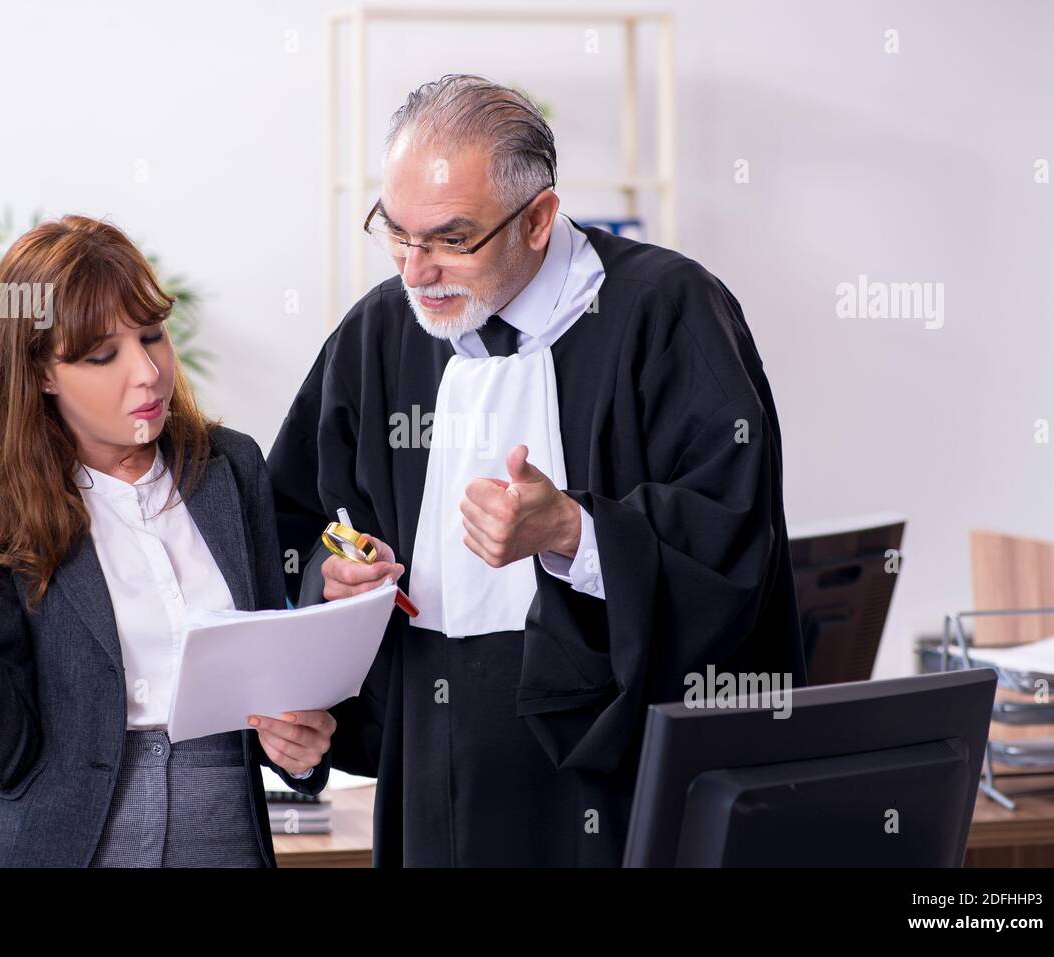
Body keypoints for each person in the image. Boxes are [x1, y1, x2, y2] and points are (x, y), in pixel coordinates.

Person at [268, 75, 806, 866]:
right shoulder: (380, 333)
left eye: (452, 239)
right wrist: (332, 576)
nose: (417, 272)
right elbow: (293, 523)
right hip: (434, 774)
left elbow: (732, 537)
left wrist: (572, 530)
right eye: (396, 232)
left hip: (616, 778)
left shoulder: (665, 311)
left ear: (539, 219)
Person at [0, 214, 333, 867]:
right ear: (40, 372)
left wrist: (300, 744)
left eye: (153, 335)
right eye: (103, 355)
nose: (148, 372)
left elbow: (279, 667)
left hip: (225, 841)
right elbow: (3, 761)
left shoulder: (230, 468)